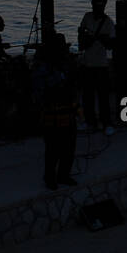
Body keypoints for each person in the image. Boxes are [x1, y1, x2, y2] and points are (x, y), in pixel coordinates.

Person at [32, 35, 79, 189]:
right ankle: (50, 177)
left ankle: (64, 175)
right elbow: (39, 89)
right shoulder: (43, 66)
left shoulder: (66, 63)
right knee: (53, 149)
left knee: (69, 147)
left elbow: (73, 85)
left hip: (68, 112)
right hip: (51, 114)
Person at [76, 0, 115, 135]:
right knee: (88, 96)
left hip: (101, 64)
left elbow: (111, 44)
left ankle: (107, 123)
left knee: (103, 96)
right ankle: (89, 121)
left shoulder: (108, 22)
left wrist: (98, 38)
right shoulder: (87, 17)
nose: (97, 7)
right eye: (95, 4)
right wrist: (87, 38)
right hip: (87, 63)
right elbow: (81, 39)